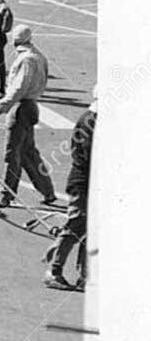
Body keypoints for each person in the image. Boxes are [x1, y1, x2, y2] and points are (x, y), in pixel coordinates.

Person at [0, 25, 59, 208]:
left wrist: (0, 107)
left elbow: (18, 87)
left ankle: (5, 195)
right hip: (32, 105)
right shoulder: (39, 55)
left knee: (12, 153)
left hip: (21, 107)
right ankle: (48, 191)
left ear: (15, 40)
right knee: (29, 153)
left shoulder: (25, 59)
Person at [45, 92, 95, 290]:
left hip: (91, 182)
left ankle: (85, 275)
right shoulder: (91, 122)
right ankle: (54, 270)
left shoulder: (92, 119)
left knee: (91, 230)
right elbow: (92, 155)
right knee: (76, 225)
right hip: (83, 182)